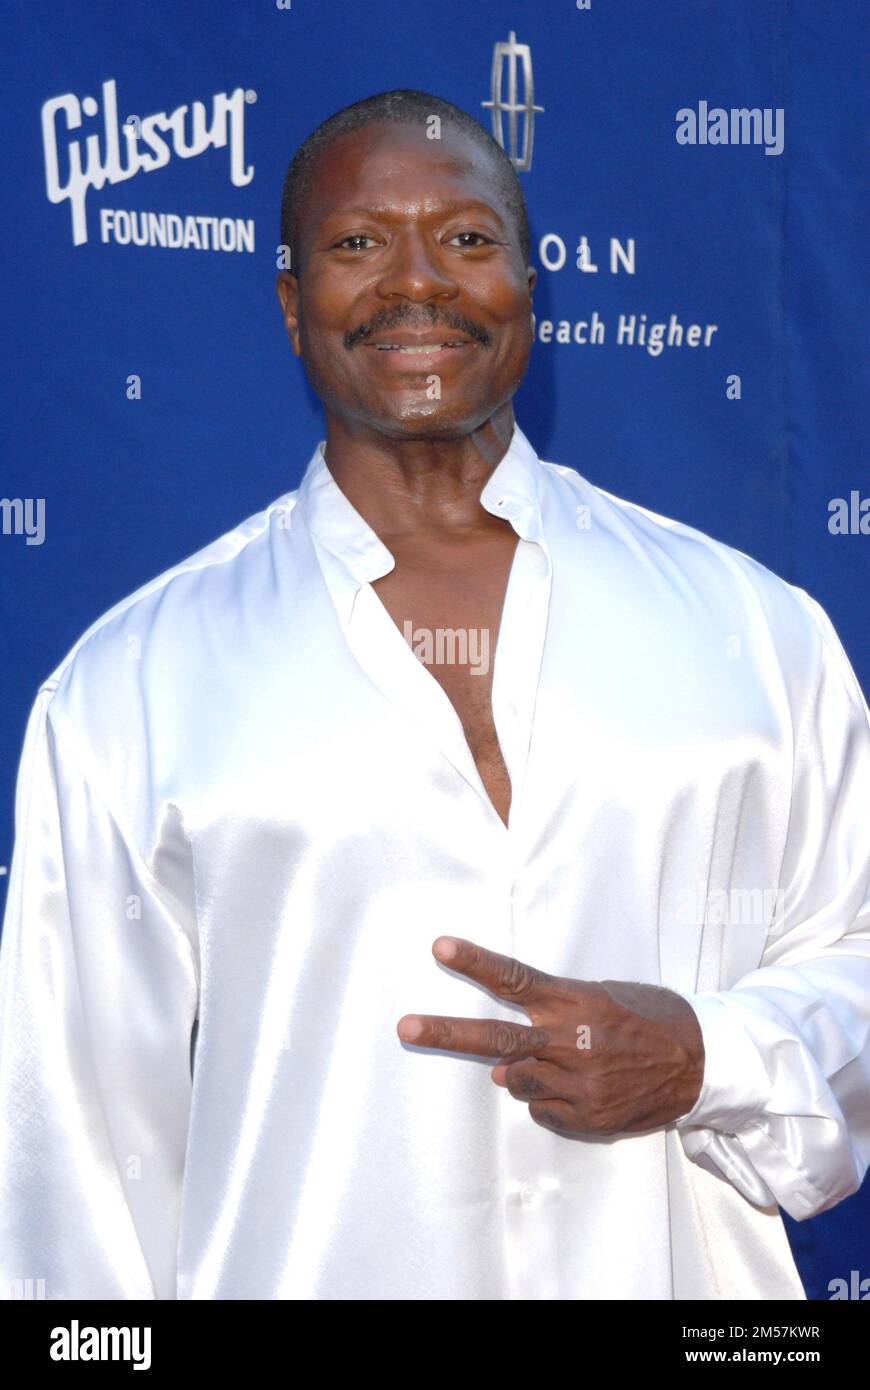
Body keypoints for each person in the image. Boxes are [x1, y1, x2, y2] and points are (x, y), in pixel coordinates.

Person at [1, 88, 868, 1301]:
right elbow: (79, 1148)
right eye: (360, 244)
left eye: (467, 239)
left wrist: (706, 1054)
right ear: (294, 301)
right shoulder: (130, 685)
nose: (421, 283)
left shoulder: (752, 634)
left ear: (529, 282)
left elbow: (858, 953)